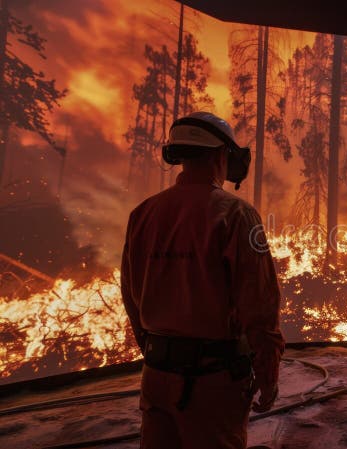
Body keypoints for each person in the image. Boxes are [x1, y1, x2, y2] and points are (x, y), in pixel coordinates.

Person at [121, 112, 285, 449]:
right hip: (213, 381)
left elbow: (131, 296)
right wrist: (268, 374)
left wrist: (156, 353)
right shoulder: (238, 215)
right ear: (219, 155)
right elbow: (260, 303)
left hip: (156, 378)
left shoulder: (144, 213)